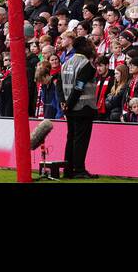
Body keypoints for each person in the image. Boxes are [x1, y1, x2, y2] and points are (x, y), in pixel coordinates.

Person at [59, 36, 99, 178]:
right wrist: (69, 105)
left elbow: (59, 84)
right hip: (83, 107)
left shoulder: (66, 63)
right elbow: (79, 86)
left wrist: (64, 103)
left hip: (70, 109)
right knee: (80, 140)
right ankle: (79, 170)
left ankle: (68, 170)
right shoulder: (86, 64)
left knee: (71, 138)